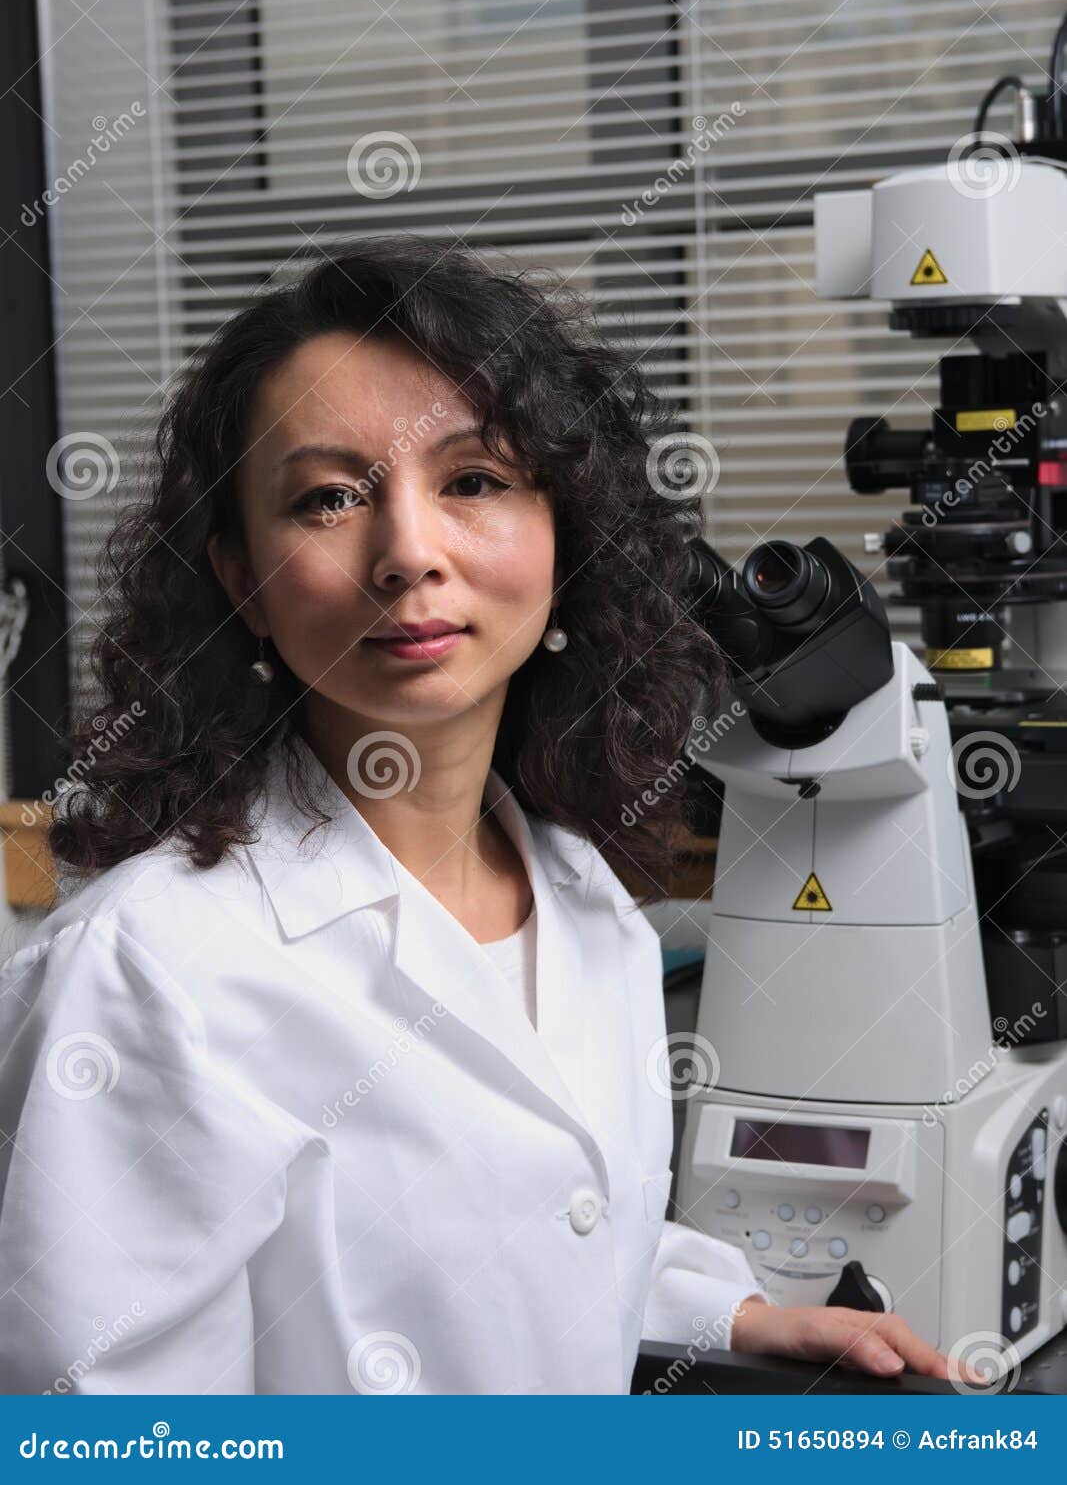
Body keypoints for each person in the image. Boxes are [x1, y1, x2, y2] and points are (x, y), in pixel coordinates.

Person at [0, 237, 975, 1394]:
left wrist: (734, 1311)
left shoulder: (574, 889)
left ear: (561, 537)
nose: (408, 552)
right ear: (238, 578)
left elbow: (518, 1221)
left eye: (472, 481)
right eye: (328, 498)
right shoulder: (152, 970)